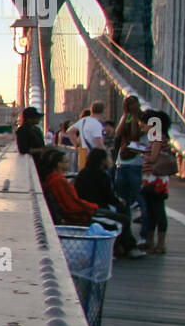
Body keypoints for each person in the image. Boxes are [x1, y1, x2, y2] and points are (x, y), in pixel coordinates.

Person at [74, 148, 143, 258]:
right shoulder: (102, 175)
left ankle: (123, 246)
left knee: (121, 212)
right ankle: (129, 247)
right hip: (95, 210)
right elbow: (109, 197)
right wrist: (119, 201)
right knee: (123, 217)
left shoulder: (82, 174)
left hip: (86, 207)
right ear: (102, 161)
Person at [140, 110, 176, 254]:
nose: (142, 125)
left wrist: (141, 154)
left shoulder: (156, 137)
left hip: (155, 179)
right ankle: (153, 243)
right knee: (154, 210)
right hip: (156, 179)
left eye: (144, 123)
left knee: (156, 211)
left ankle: (158, 244)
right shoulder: (160, 137)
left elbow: (153, 158)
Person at [40, 148, 97, 225]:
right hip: (76, 216)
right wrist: (93, 207)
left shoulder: (53, 179)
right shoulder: (58, 181)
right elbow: (72, 204)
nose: (69, 163)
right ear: (59, 164)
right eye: (67, 161)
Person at [112, 96, 145, 219]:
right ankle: (125, 228)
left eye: (132, 104)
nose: (130, 107)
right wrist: (126, 116)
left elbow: (135, 135)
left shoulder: (145, 118)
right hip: (123, 162)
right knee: (122, 197)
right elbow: (118, 134)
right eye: (127, 104)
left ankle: (144, 230)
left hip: (137, 163)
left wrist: (133, 118)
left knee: (139, 196)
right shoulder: (126, 117)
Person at [67, 102, 106, 169]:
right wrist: (106, 157)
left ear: (91, 109)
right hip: (95, 157)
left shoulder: (83, 120)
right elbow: (99, 144)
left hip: (83, 154)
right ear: (102, 111)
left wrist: (76, 144)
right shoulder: (97, 124)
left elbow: (70, 131)